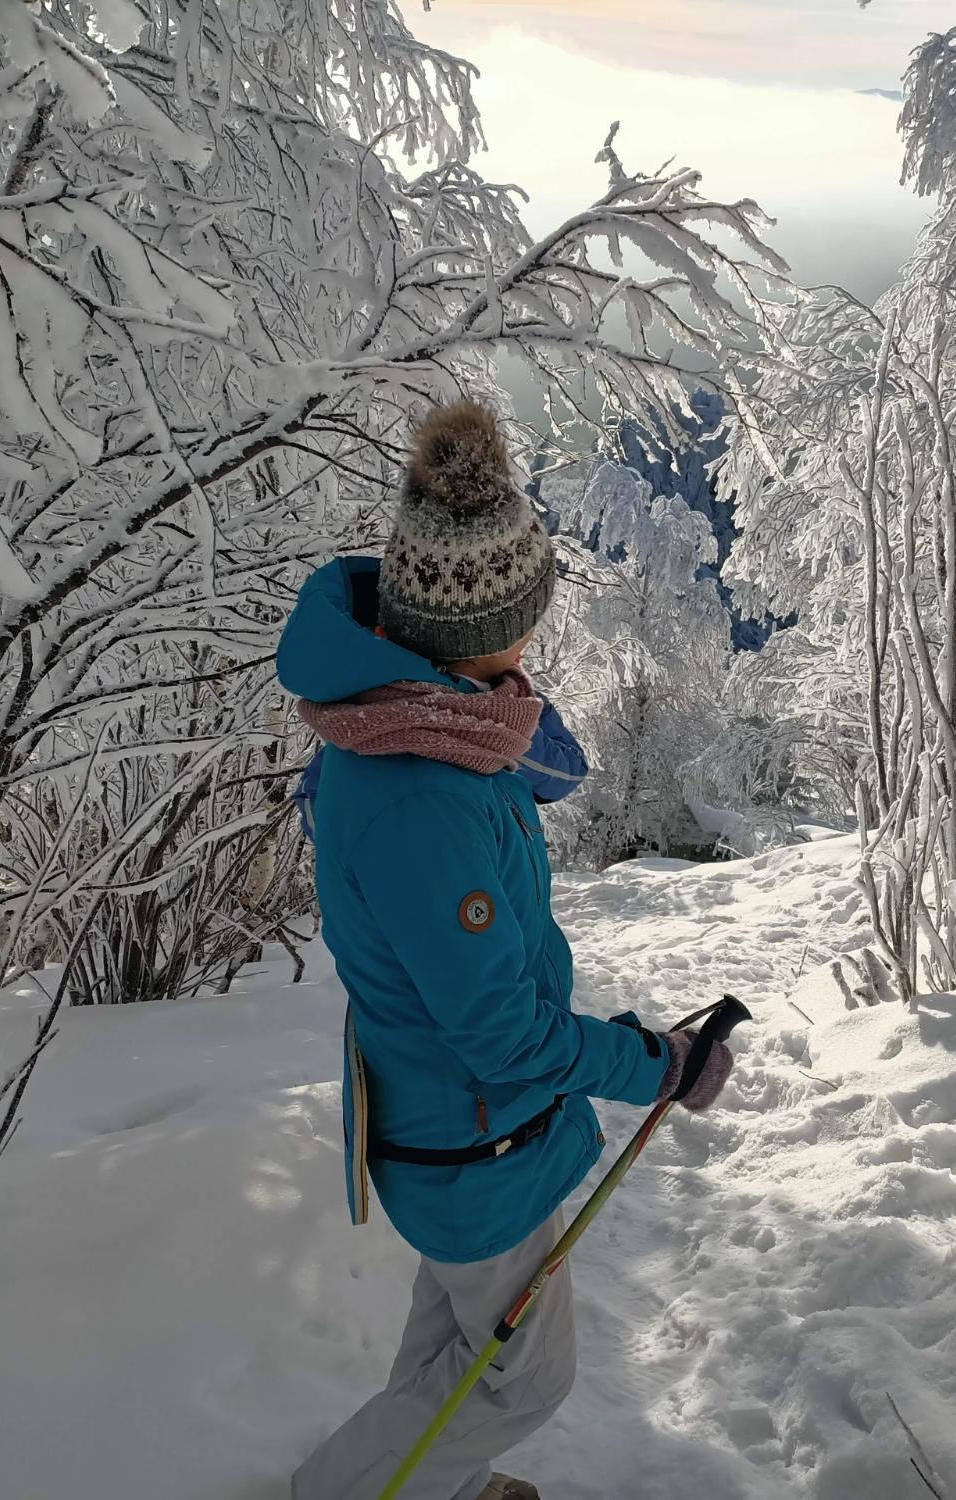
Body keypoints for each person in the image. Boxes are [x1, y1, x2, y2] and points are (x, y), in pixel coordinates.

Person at [277, 402, 733, 1500]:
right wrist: (657, 1064)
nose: (534, 641)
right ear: (486, 627)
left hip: (450, 1129)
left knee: (459, 1341)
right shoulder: (424, 791)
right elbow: (505, 1038)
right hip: (468, 1139)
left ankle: (419, 1474)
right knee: (522, 1382)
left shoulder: (411, 724)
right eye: (527, 616)